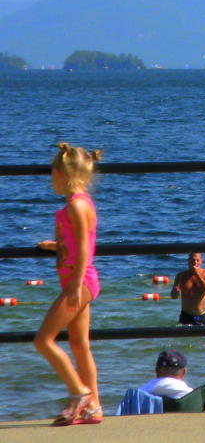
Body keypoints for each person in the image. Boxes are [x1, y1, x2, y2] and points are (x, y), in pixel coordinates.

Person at [34, 143, 104, 426]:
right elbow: (77, 241)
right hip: (78, 280)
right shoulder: (79, 203)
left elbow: (86, 249)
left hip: (79, 282)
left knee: (43, 340)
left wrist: (75, 286)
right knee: (79, 344)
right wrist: (58, 245)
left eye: (52, 174)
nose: (50, 179)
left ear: (62, 173)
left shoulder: (76, 205)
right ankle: (94, 408)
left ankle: (79, 393)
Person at [170, 251, 205, 326]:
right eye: (192, 260)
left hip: (202, 315)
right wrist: (175, 292)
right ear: (188, 261)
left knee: (204, 337)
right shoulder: (181, 275)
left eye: (197, 260)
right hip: (186, 315)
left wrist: (197, 274)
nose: (195, 262)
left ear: (201, 262)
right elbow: (173, 296)